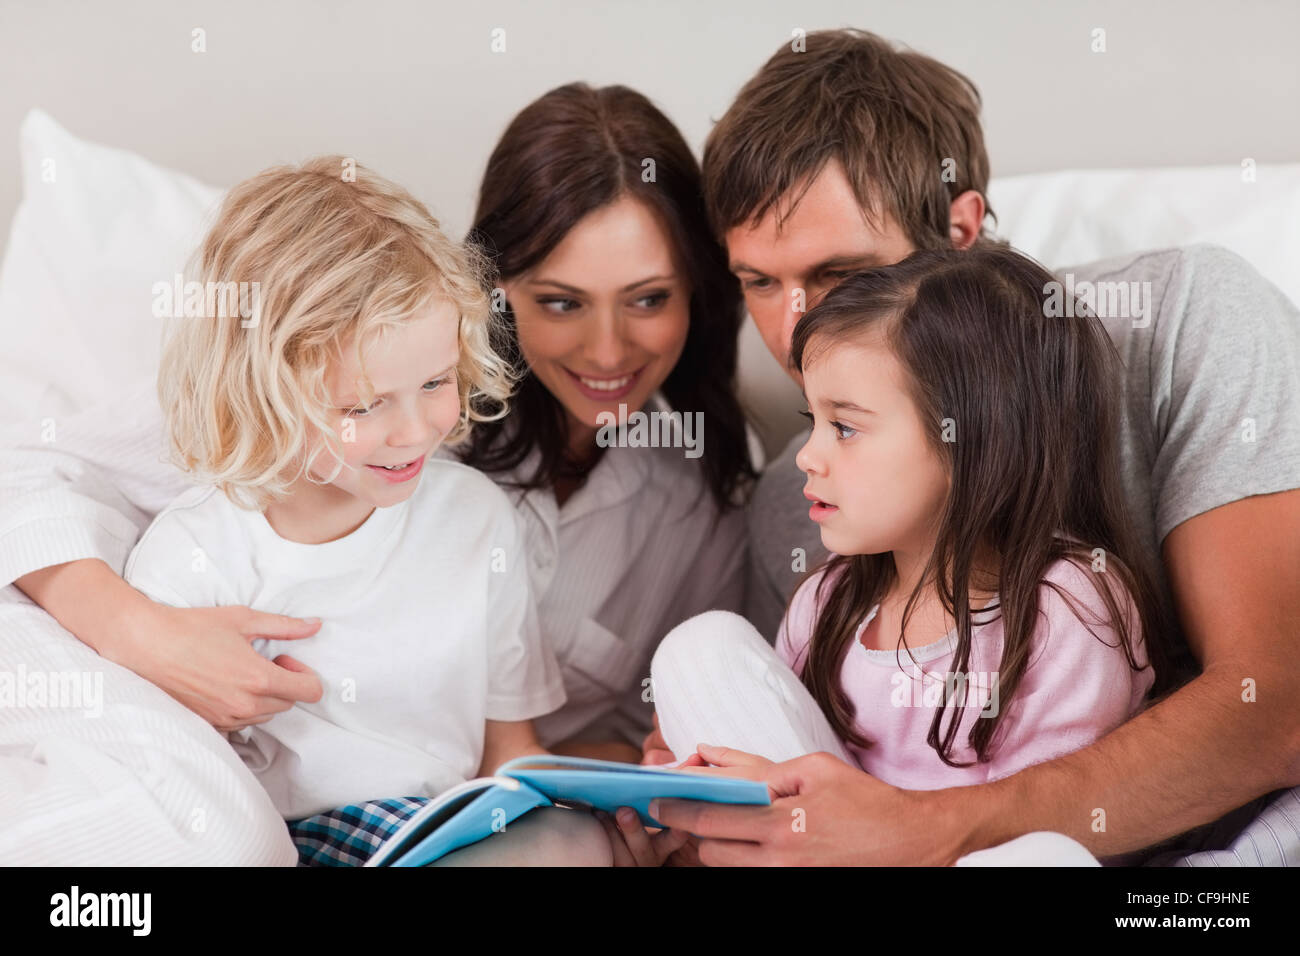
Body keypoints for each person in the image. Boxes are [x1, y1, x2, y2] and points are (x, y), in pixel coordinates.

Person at [644, 28, 1300, 866]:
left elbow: (1276, 705)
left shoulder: (1186, 322)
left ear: (961, 229)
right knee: (700, 654)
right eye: (758, 282)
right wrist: (704, 791)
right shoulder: (801, 502)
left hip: (1177, 854)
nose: (794, 327)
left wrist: (915, 832)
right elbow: (822, 762)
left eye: (841, 274)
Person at [124, 156, 627, 865]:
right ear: (263, 389)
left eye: (434, 382)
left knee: (579, 843)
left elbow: (508, 750)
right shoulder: (197, 554)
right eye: (363, 406)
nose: (415, 429)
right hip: (293, 836)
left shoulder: (476, 517)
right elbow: (170, 782)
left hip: (450, 825)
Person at [652, 245, 1169, 867]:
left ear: (973, 439)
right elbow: (793, 772)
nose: (807, 457)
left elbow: (1034, 817)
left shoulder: (1067, 604)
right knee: (698, 647)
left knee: (1050, 857)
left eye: (844, 427)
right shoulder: (828, 601)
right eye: (811, 421)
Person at [455, 82, 755, 767]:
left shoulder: (702, 503)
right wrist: (152, 631)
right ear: (495, 286)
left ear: (698, 291)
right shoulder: (396, 407)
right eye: (563, 304)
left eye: (648, 299)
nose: (610, 352)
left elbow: (646, 741)